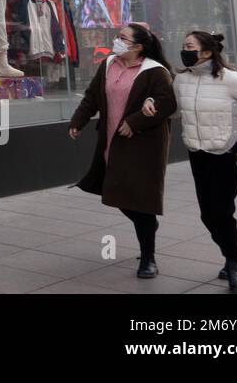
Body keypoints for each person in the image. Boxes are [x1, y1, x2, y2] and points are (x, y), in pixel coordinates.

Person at [142, 31, 237, 291]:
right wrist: (151, 101)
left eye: (190, 46)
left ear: (206, 52)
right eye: (183, 46)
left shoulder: (230, 79)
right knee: (207, 214)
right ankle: (231, 252)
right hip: (197, 152)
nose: (184, 50)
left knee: (222, 211)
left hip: (227, 152)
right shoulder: (181, 80)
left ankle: (232, 262)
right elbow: (175, 109)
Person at [68, 22, 177, 278]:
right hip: (111, 142)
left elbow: (167, 103)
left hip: (143, 146)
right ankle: (147, 225)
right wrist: (78, 121)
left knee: (139, 199)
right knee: (121, 195)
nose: (117, 41)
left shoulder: (154, 71)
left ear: (138, 47)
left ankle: (148, 258)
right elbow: (92, 97)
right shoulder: (109, 64)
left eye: (122, 38)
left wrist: (135, 122)